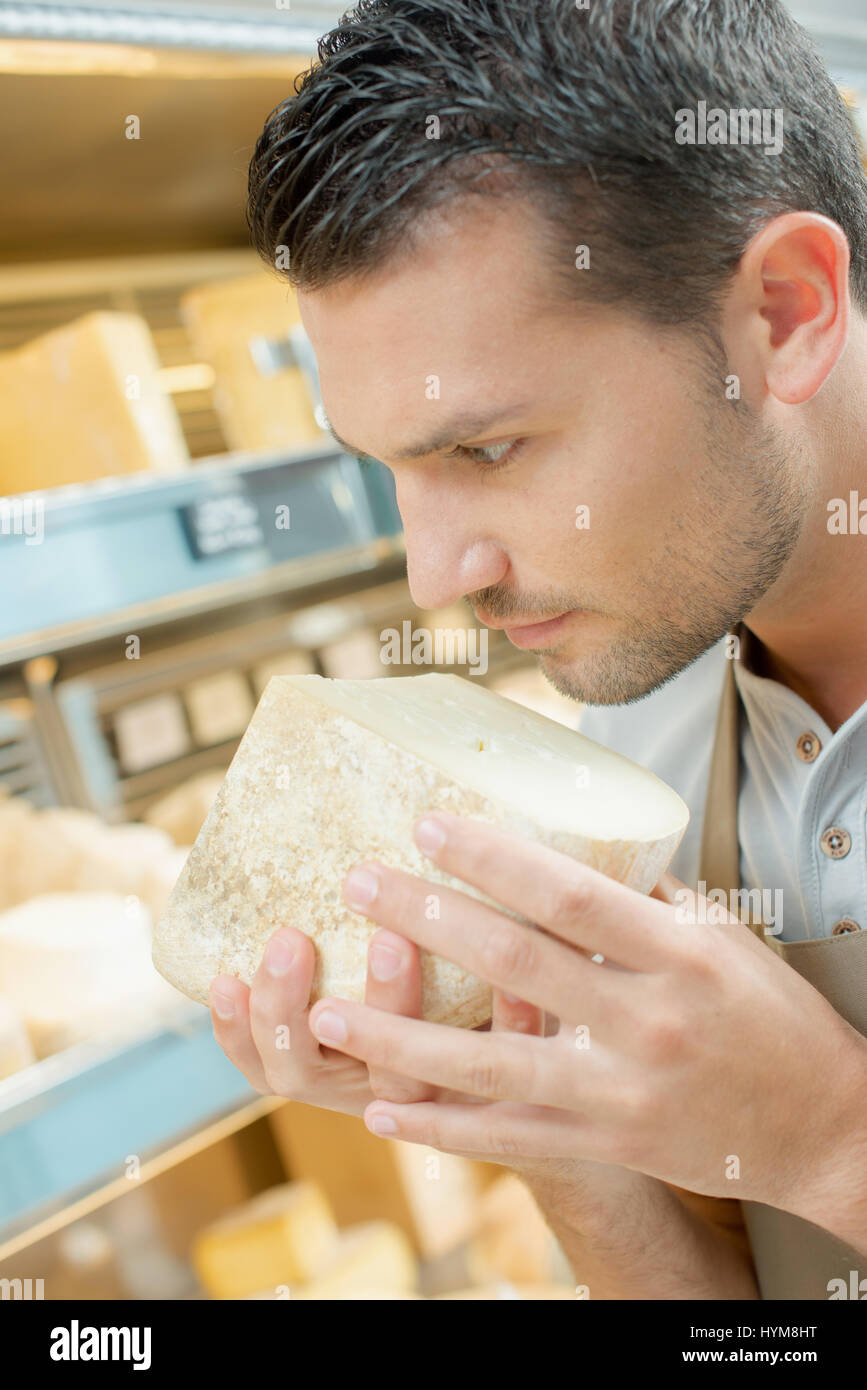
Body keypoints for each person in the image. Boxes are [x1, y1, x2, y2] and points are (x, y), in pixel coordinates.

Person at [212, 0, 867, 1299]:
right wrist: (540, 1114)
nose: (438, 577)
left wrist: (836, 1139)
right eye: (393, 472)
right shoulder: (641, 715)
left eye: (487, 449)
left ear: (786, 313)